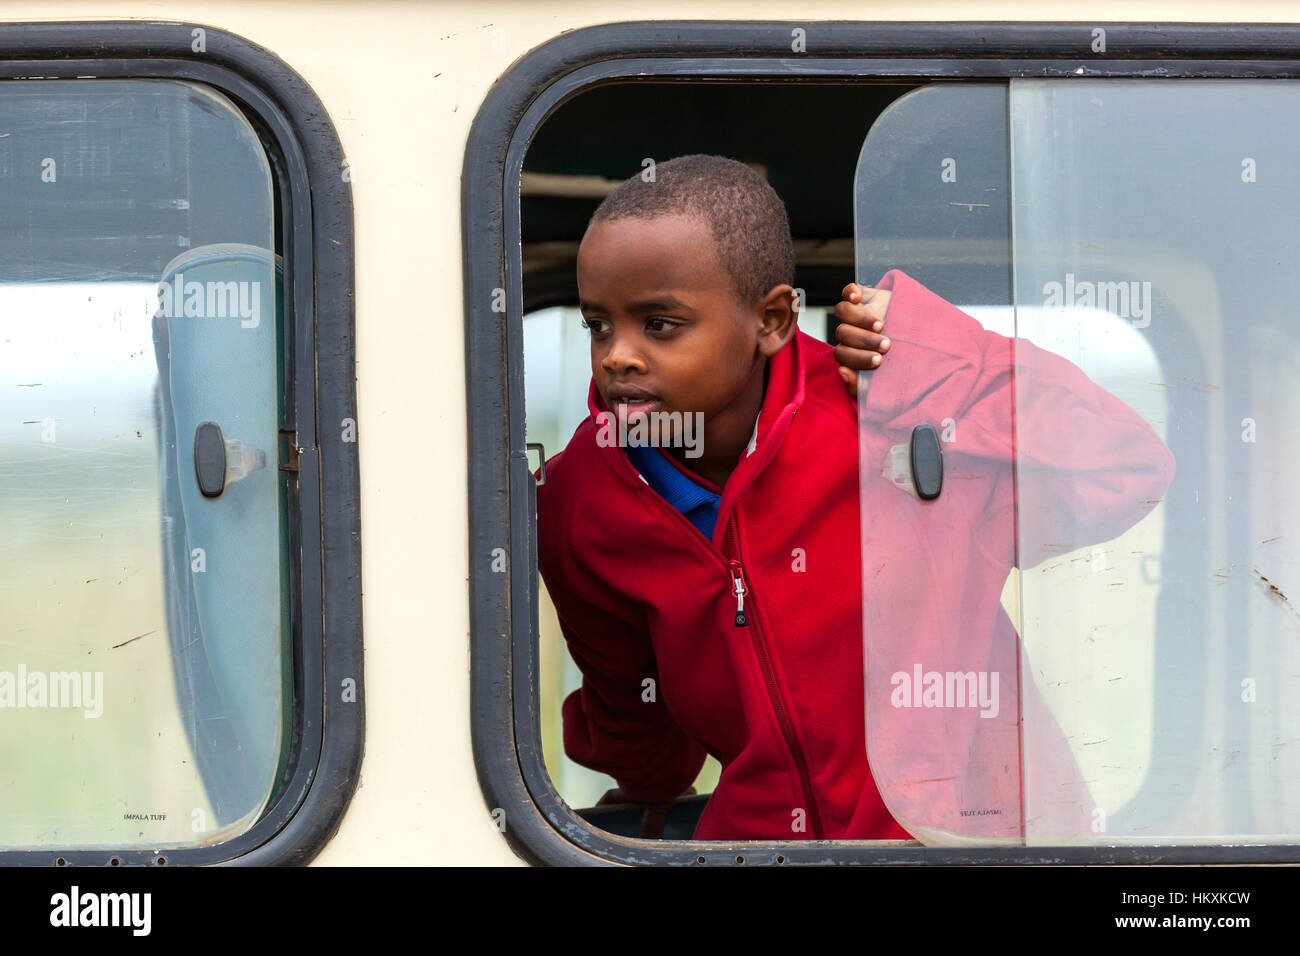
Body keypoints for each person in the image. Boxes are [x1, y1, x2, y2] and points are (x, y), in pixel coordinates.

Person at [535, 154, 1175, 841]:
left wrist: (941, 357)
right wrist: (643, 799)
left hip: (980, 847)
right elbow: (635, 720)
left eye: (659, 324)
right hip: (763, 850)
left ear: (773, 320)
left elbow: (1126, 470)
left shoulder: (898, 417)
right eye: (598, 325)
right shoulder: (583, 498)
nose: (617, 356)